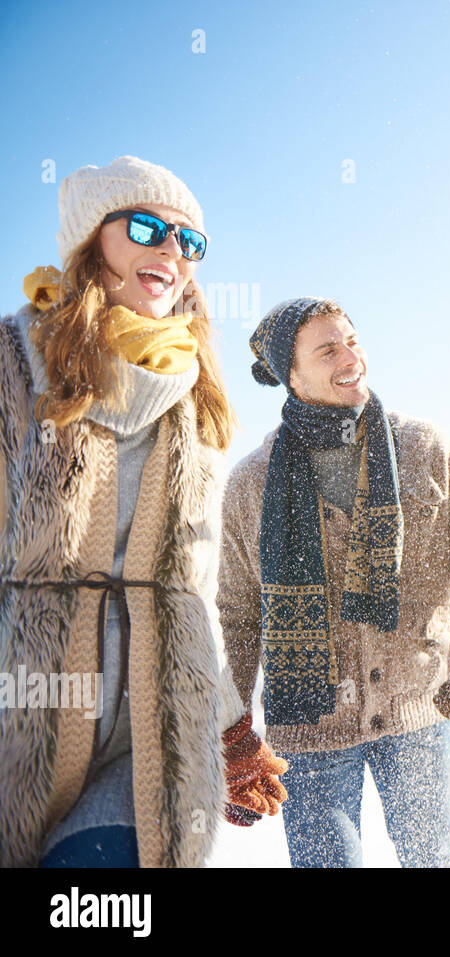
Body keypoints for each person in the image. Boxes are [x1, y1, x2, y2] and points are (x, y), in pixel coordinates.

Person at [0, 156, 288, 868]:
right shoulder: (15, 363)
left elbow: (191, 587)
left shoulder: (198, 399)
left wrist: (228, 726)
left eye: (189, 242)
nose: (171, 251)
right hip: (22, 717)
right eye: (149, 227)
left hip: (148, 742)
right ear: (90, 240)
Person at [218, 296, 450, 867]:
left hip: (416, 706)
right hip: (308, 729)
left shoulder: (426, 449)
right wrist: (230, 732)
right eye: (328, 349)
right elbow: (238, 613)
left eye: (352, 340)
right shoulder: (250, 484)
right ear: (291, 374)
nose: (349, 356)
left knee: (433, 859)